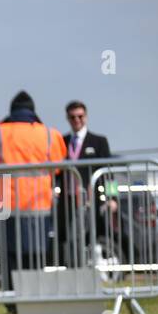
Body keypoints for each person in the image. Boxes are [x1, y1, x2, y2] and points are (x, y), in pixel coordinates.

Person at [0, 90, 67, 310]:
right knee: (37, 255)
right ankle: (36, 300)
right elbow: (59, 166)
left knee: (10, 255)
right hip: (39, 206)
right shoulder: (50, 134)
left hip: (8, 206)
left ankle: (14, 304)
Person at [57, 100, 114, 267]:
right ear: (68, 118)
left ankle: (83, 272)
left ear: (86, 117)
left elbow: (108, 173)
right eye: (73, 117)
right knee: (69, 239)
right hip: (67, 201)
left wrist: (112, 198)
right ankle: (74, 272)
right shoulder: (62, 141)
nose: (77, 120)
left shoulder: (98, 141)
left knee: (84, 237)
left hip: (89, 201)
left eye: (80, 116)